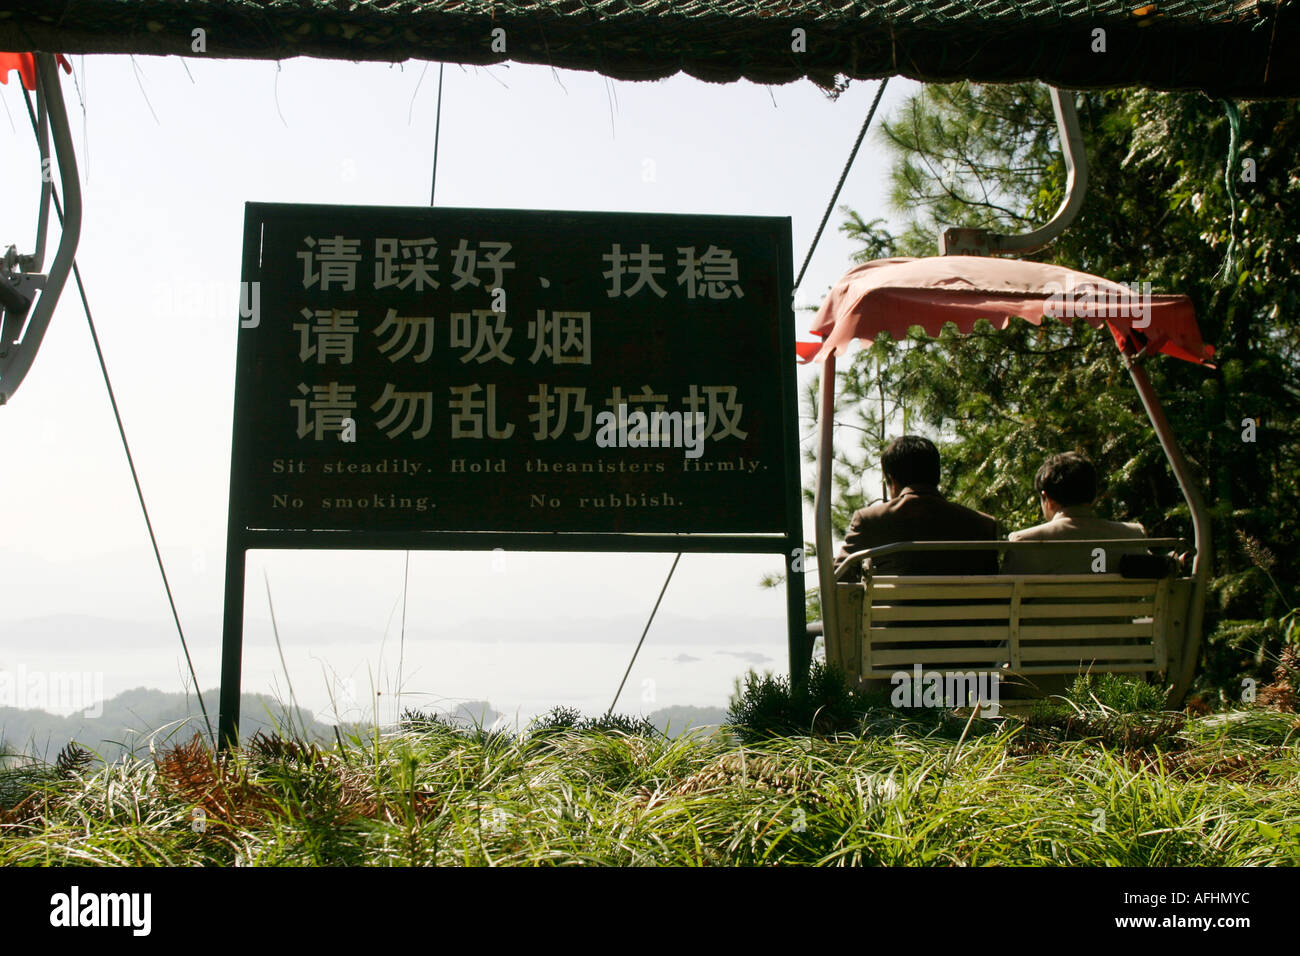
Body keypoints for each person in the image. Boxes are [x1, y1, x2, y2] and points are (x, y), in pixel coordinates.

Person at [833, 435, 999, 582]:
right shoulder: (983, 525)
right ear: (937, 476)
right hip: (966, 617)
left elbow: (839, 578)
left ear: (892, 480)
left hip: (893, 617)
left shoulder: (870, 521)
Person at [1002, 452, 1146, 574]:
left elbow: (1004, 598)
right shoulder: (1133, 535)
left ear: (1048, 499)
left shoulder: (1024, 542)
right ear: (1094, 494)